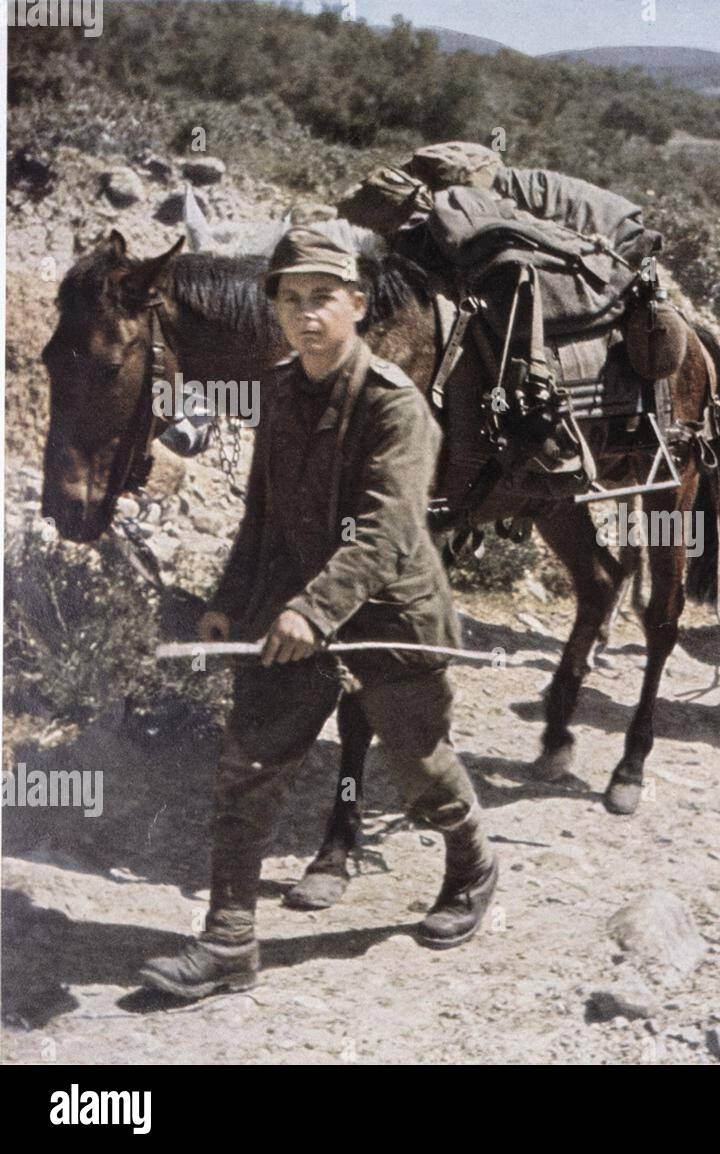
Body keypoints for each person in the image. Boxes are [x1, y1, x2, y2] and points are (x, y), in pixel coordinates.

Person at [140, 228, 497, 1000]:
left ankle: (472, 862)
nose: (306, 315)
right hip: (291, 612)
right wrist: (230, 602)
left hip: (390, 619)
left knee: (423, 771)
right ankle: (229, 940)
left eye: (323, 298)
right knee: (249, 766)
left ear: (358, 306)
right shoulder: (272, 392)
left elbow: (388, 530)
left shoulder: (395, 406)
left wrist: (315, 608)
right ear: (275, 309)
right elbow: (260, 513)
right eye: (291, 299)